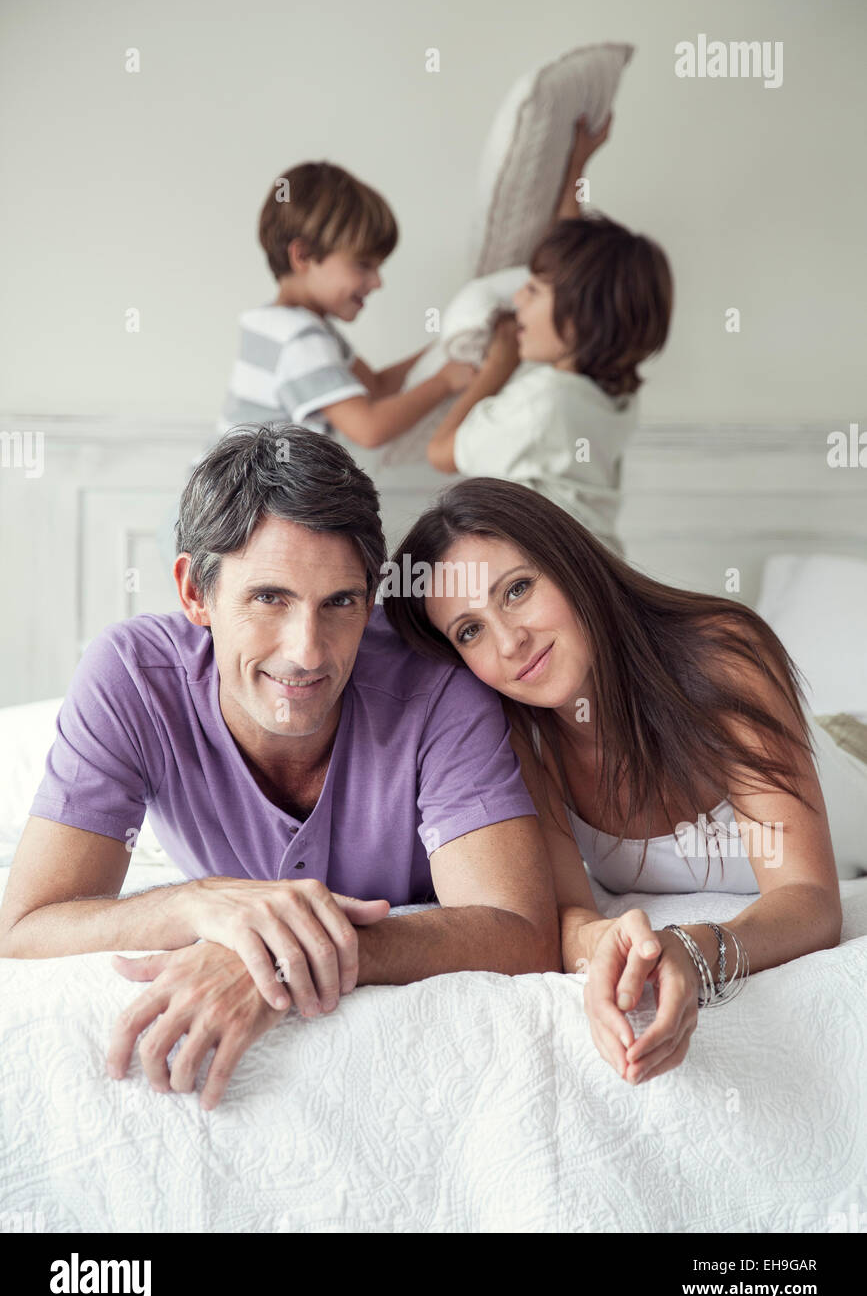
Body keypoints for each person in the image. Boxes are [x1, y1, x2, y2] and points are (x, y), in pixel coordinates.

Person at [0, 428, 559, 1110]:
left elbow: (521, 932)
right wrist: (197, 903)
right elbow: (27, 927)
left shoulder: (438, 686)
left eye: (340, 602)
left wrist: (278, 952)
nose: (307, 652)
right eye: (269, 598)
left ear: (371, 598)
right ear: (194, 592)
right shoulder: (131, 677)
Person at [382, 476, 843, 1087]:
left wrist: (694, 948)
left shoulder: (725, 657)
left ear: (570, 563)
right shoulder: (518, 734)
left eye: (517, 589)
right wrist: (620, 950)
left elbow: (811, 898)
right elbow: (568, 917)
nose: (511, 641)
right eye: (470, 630)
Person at [426, 117, 673, 558]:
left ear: (577, 321)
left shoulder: (541, 404)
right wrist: (575, 169)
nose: (518, 297)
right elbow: (574, 278)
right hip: (602, 564)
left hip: (559, 576)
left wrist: (497, 369)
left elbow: (441, 452)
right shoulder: (613, 392)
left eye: (534, 290)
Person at [220, 159, 475, 448]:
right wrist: (443, 383)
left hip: (226, 476)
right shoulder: (300, 338)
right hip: (246, 479)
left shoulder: (288, 325)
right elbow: (369, 429)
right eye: (363, 265)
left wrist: (444, 347)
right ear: (303, 256)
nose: (377, 282)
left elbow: (376, 387)